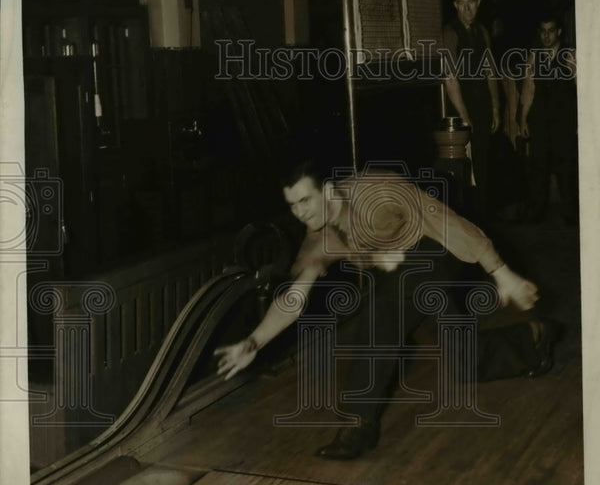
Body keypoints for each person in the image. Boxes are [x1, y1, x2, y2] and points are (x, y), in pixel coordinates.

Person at [215, 159, 561, 460]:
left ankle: (358, 426)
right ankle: (534, 339)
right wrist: (254, 342)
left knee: (379, 315)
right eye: (292, 205)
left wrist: (503, 274)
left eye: (305, 200)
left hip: (437, 247)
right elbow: (295, 297)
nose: (300, 212)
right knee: (464, 360)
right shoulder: (318, 235)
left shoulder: (377, 190)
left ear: (330, 191)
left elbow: (446, 222)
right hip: (402, 271)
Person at [442, 0, 501, 222]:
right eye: (461, 4)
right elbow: (450, 77)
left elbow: (489, 71)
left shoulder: (482, 31)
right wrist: (464, 116)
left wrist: (496, 107)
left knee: (482, 161)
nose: (467, 9)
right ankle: (464, 221)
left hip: (483, 105)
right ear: (455, 5)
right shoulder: (450, 32)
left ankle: (482, 217)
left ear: (479, 2)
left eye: (471, 3)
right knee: (462, 167)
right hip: (459, 108)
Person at [518, 15, 578, 225]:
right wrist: (523, 120)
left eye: (551, 30)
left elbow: (582, 88)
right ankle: (536, 213)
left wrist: (582, 121)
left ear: (559, 32)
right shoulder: (534, 57)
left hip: (564, 121)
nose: (546, 35)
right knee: (538, 168)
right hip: (540, 121)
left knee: (567, 170)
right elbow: (528, 90)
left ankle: (573, 216)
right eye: (543, 30)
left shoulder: (570, 55)